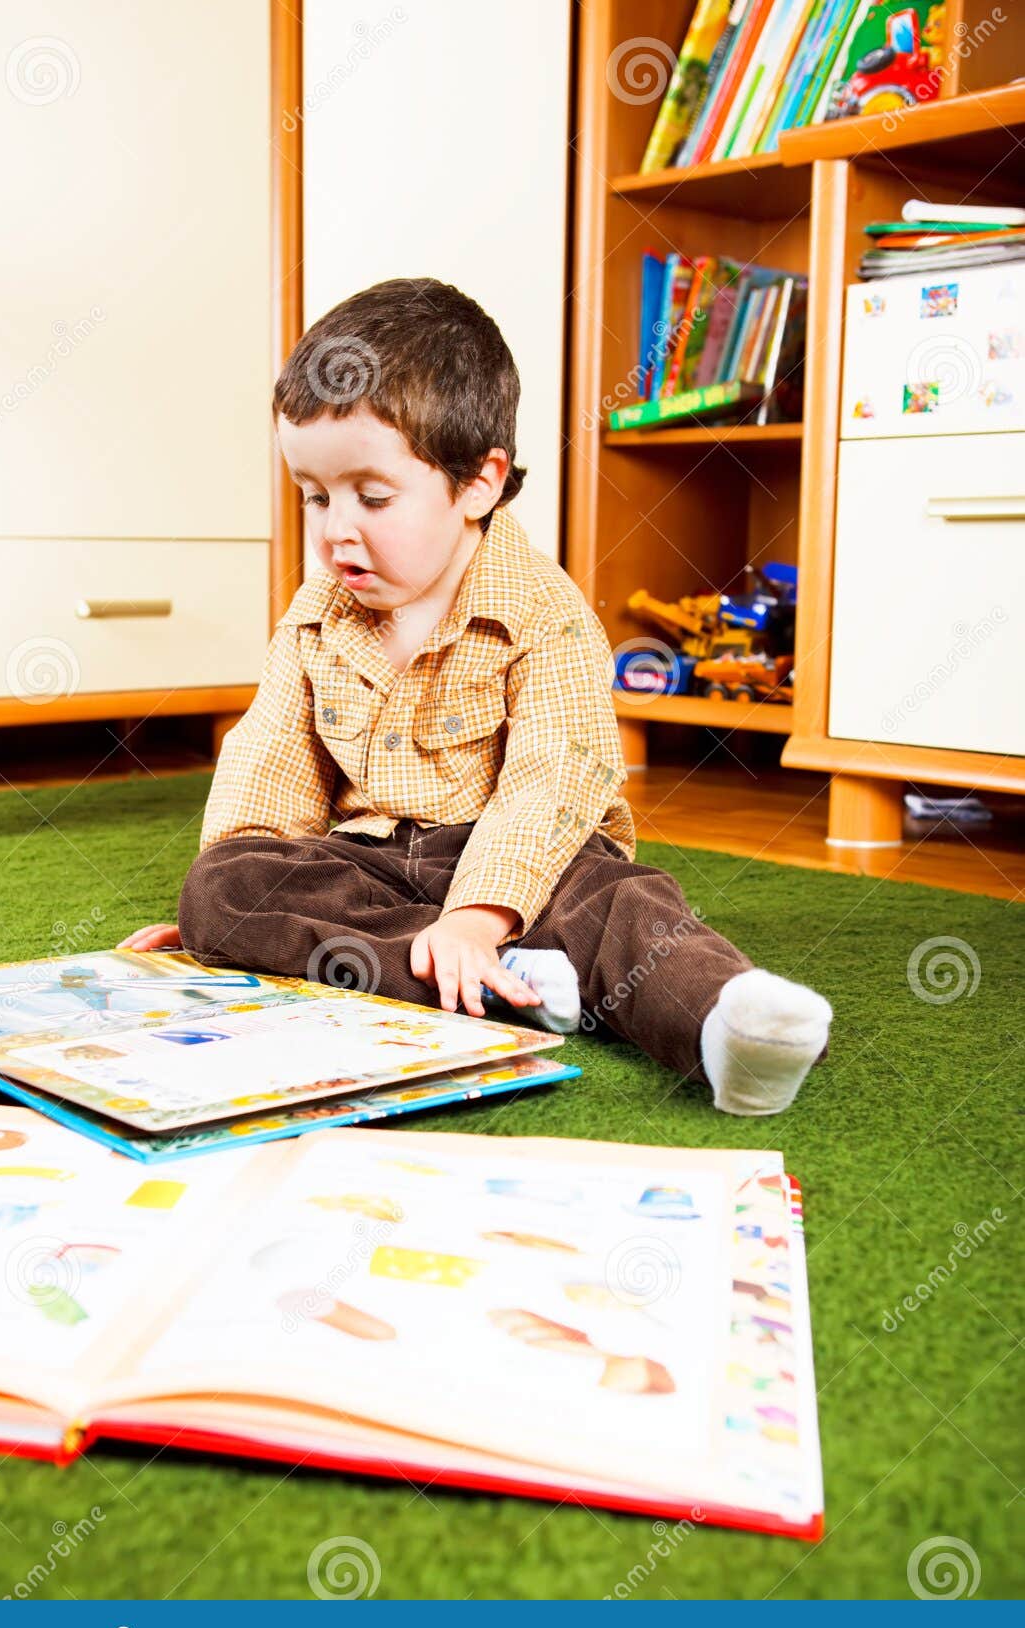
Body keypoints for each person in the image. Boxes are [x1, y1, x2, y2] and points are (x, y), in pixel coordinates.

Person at [121, 277, 831, 1115]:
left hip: (525, 861)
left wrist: (481, 913)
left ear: (478, 484)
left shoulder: (541, 610)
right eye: (314, 496)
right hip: (371, 862)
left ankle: (725, 1024)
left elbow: (554, 777)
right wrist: (233, 897)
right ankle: (499, 984)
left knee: (624, 906)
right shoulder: (317, 613)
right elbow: (271, 758)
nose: (335, 529)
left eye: (372, 497)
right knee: (226, 888)